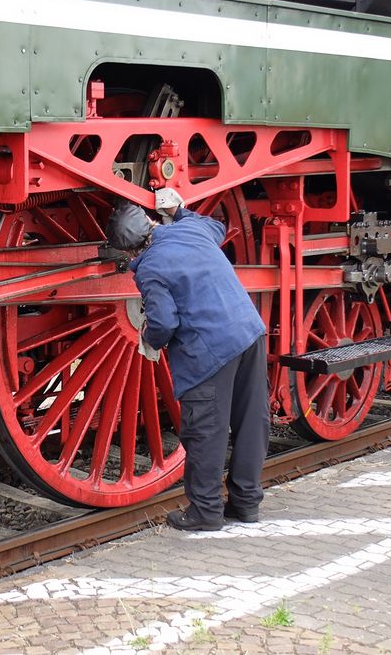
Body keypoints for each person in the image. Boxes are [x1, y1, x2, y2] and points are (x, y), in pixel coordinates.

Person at [105, 193, 269, 531]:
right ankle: (246, 504)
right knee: (251, 421)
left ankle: (206, 513)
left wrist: (148, 340)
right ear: (151, 221)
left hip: (209, 351)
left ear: (129, 251)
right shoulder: (191, 228)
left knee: (205, 431)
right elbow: (217, 227)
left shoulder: (149, 266)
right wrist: (179, 211)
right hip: (249, 333)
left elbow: (164, 323)